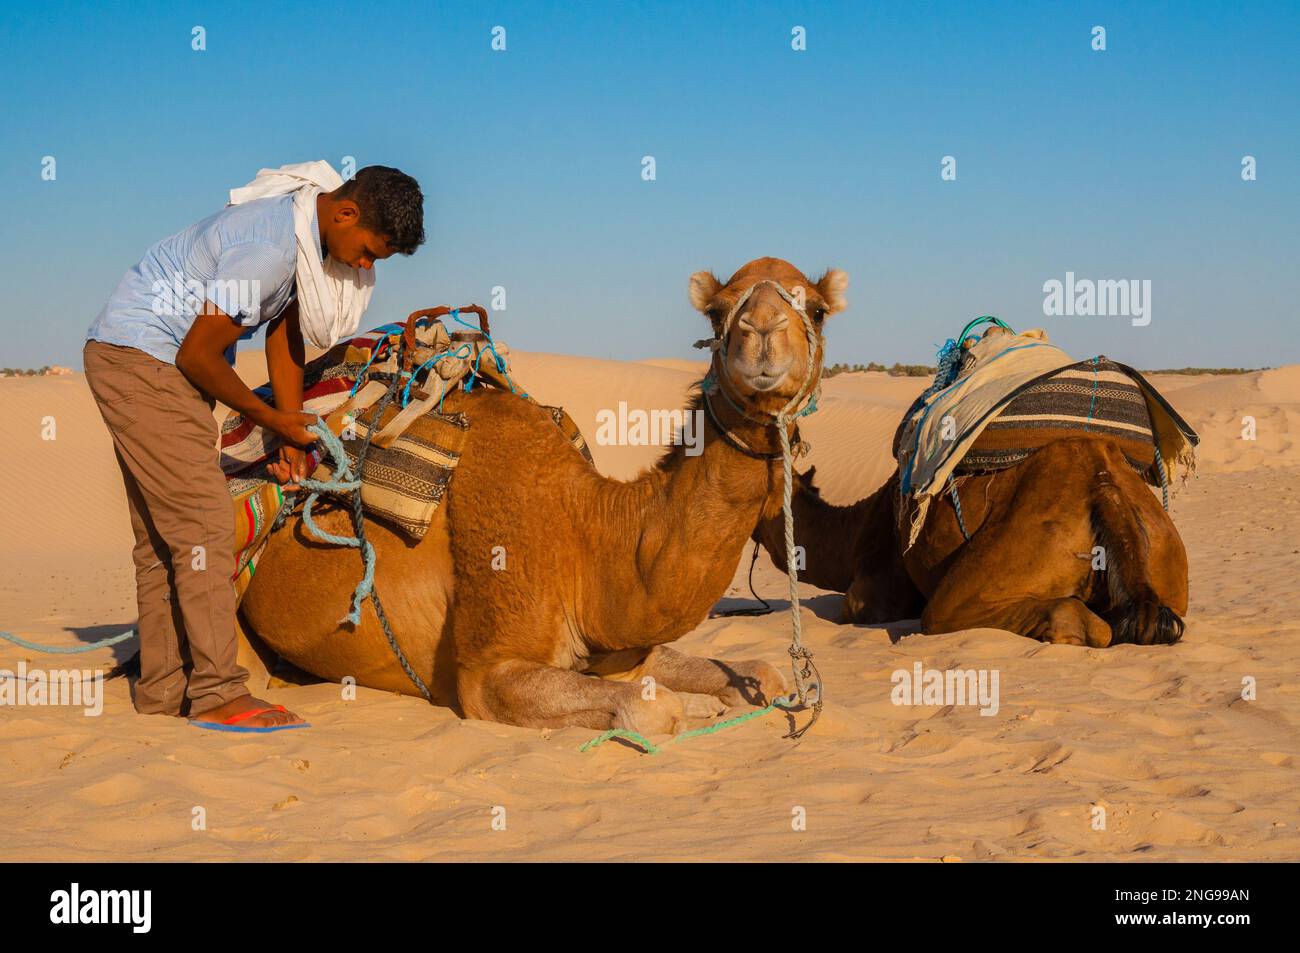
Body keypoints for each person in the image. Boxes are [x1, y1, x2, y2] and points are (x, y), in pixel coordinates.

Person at [83, 162, 425, 729]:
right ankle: (218, 692)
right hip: (146, 360)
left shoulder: (302, 240)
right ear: (345, 213)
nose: (364, 267)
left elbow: (284, 335)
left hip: (144, 359)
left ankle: (163, 693)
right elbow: (197, 353)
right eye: (367, 251)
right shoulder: (269, 249)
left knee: (162, 541)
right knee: (205, 528)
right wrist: (267, 415)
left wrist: (285, 429)